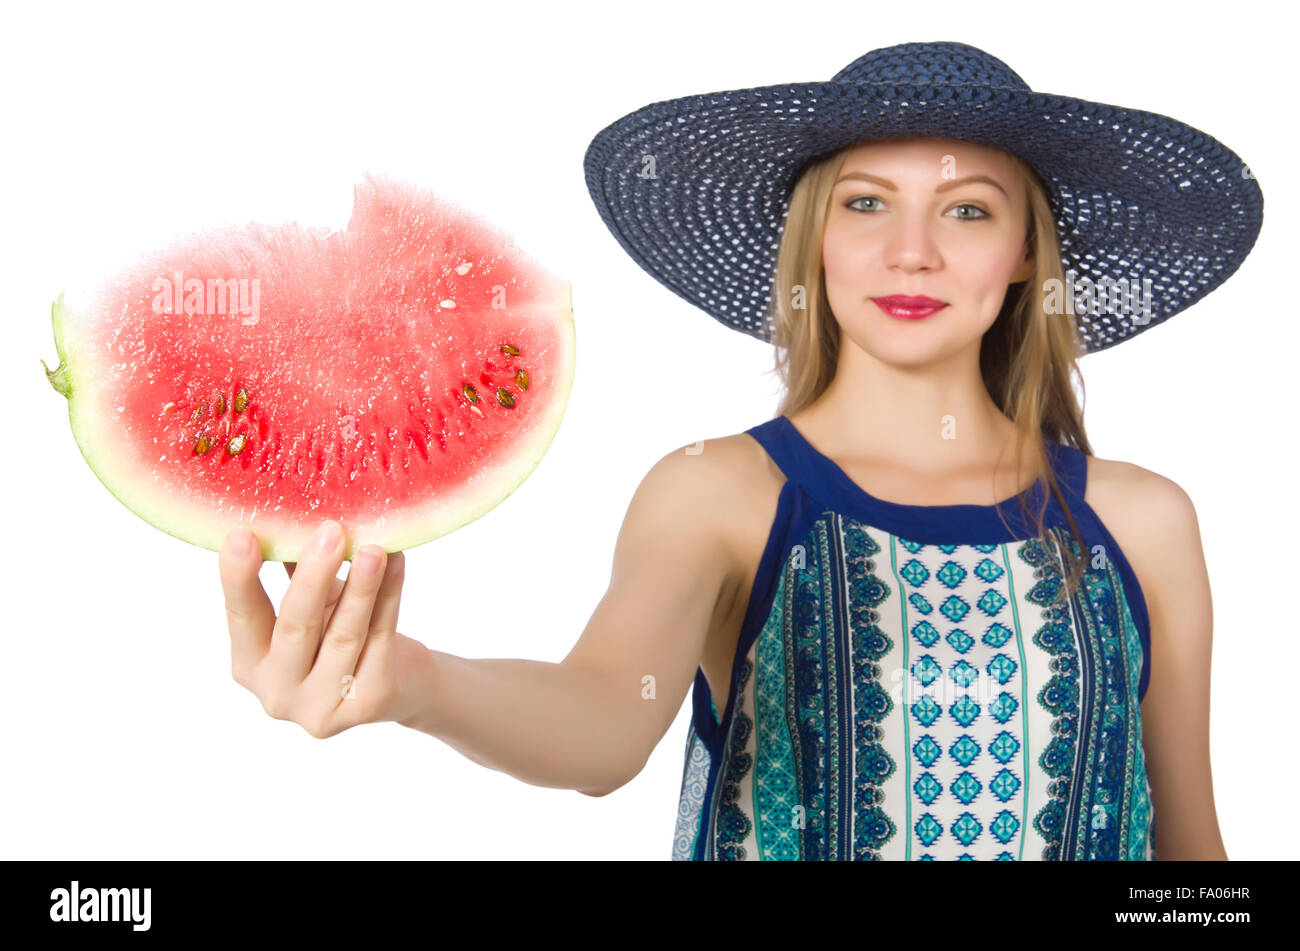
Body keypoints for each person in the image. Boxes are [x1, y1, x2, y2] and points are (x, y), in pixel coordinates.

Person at [218, 41, 1262, 860]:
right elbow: (603, 725)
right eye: (865, 204)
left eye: (966, 210)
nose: (911, 250)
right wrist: (416, 683)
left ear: (1023, 253)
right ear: (812, 238)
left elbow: (1187, 857)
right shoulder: (717, 494)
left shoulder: (1141, 520)